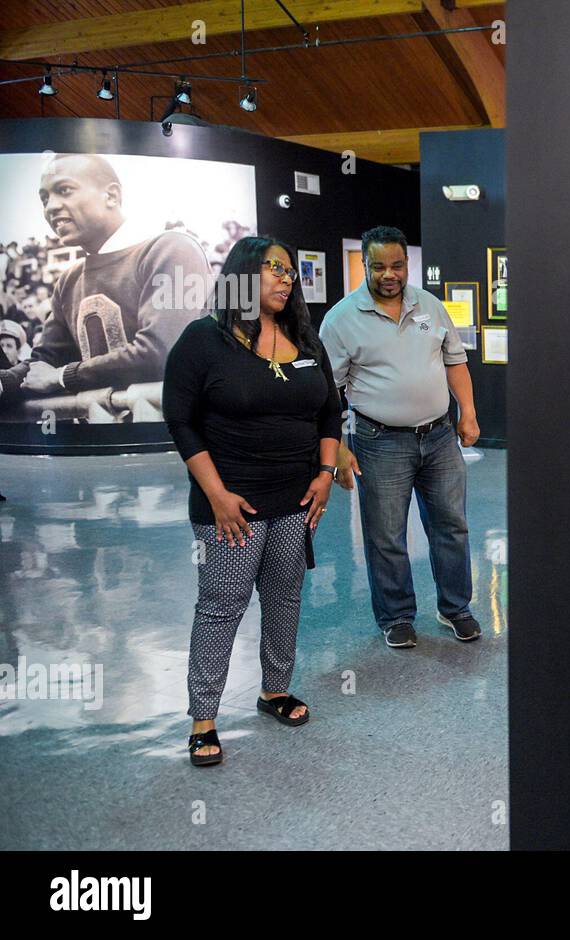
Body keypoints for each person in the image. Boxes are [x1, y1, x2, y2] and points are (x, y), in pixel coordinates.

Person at [163, 236, 341, 767]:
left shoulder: (303, 337)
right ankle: (203, 720)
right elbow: (181, 420)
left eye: (291, 272)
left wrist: (327, 472)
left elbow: (330, 411)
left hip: (297, 501)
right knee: (221, 607)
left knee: (285, 599)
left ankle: (274, 691)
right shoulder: (204, 340)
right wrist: (215, 494)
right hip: (232, 507)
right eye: (276, 270)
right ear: (244, 273)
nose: (288, 280)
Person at [320, 226, 482, 648]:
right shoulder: (340, 320)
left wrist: (469, 413)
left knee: (452, 525)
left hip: (441, 436)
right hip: (379, 440)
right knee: (386, 533)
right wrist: (336, 444)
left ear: (407, 264)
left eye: (397, 265)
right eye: (379, 266)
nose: (389, 274)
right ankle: (395, 616)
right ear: (365, 266)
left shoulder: (429, 305)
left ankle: (456, 608)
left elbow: (455, 362)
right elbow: (326, 391)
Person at [0, 154, 211, 408]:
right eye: (44, 199)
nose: (51, 207)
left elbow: (164, 354)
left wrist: (62, 377)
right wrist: (6, 381)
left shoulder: (171, 248)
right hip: (103, 438)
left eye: (64, 190)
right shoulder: (68, 280)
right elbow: (43, 363)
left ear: (111, 196)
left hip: (176, 439)